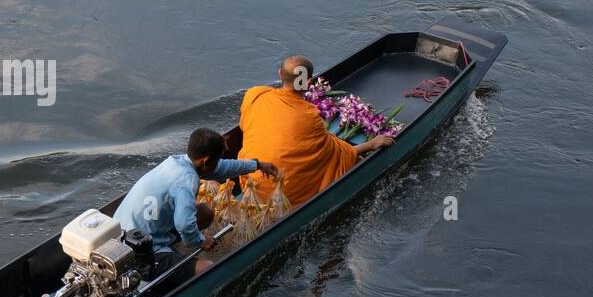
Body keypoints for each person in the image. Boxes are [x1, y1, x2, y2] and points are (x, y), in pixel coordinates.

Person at [238, 55, 394, 208]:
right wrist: (371, 144)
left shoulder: (255, 95)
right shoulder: (310, 116)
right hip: (282, 197)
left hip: (252, 184)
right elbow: (338, 155)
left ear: (280, 73)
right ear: (308, 82)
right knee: (340, 162)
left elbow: (247, 127)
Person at [114, 127, 278, 257]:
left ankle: (172, 244)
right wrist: (200, 241)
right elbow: (184, 225)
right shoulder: (187, 179)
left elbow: (222, 168)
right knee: (205, 268)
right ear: (206, 161)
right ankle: (165, 257)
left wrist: (256, 165)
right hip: (141, 244)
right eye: (217, 159)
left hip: (118, 230)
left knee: (205, 212)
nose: (218, 163)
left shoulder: (176, 162)